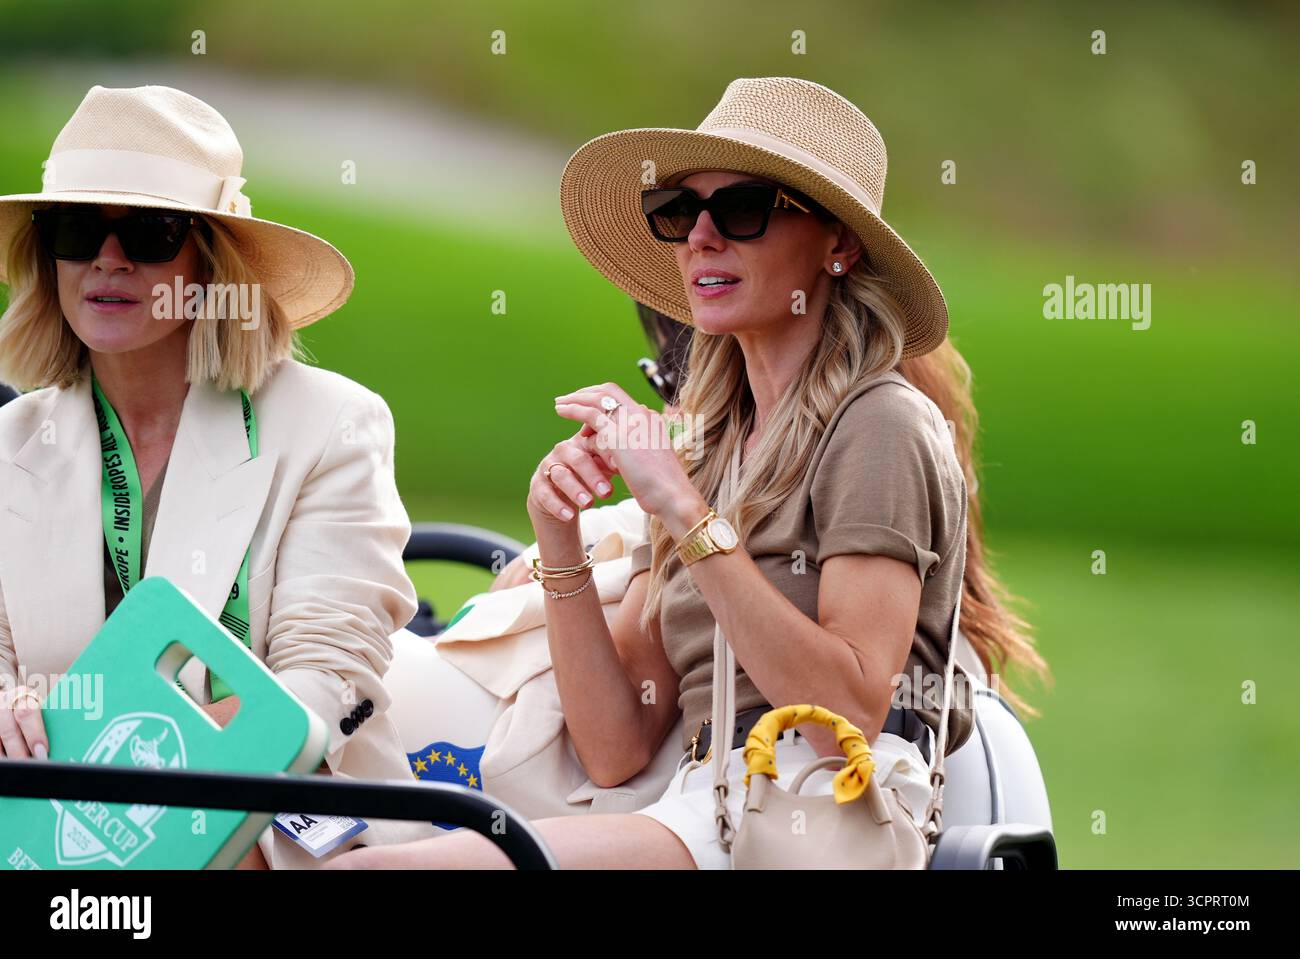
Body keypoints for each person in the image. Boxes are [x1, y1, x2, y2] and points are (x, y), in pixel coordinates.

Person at [330, 77, 1047, 870]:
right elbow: (614, 747)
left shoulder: (880, 424)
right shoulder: (712, 441)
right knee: (284, 839)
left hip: (811, 812)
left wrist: (682, 508)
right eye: (678, 211)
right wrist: (557, 534)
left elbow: (843, 714)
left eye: (742, 209)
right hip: (696, 801)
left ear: (838, 246)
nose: (701, 236)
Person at [0, 84, 437, 868]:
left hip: (279, 820)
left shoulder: (333, 424)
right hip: (41, 832)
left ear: (212, 260)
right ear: (47, 253)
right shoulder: (7, 442)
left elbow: (324, 687)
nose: (108, 257)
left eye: (149, 232)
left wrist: (119, 782)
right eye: (74, 228)